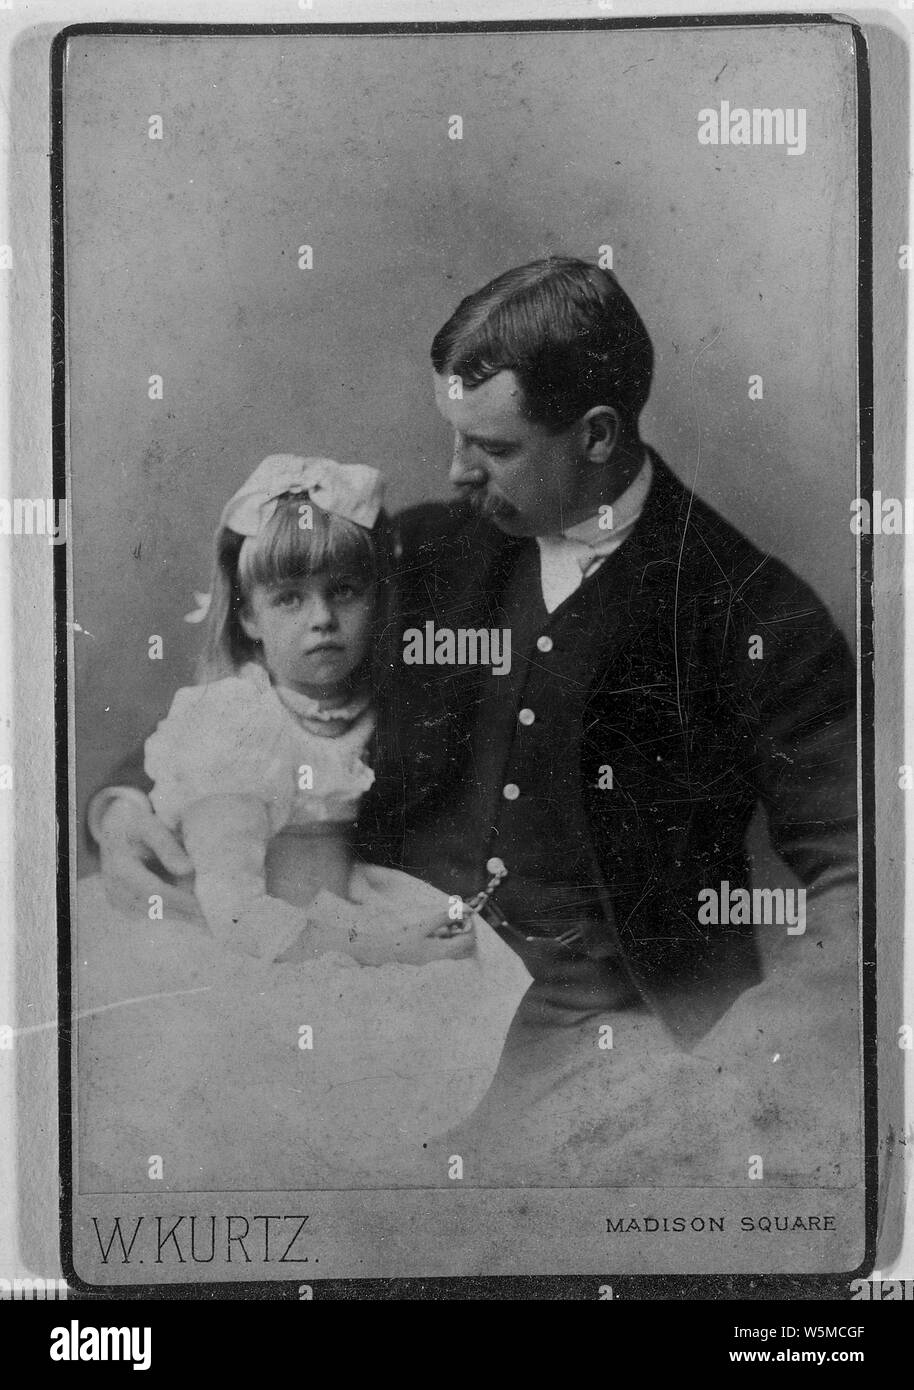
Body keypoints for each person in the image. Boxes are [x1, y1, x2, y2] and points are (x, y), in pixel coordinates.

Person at [90, 258, 861, 1187]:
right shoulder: (421, 554)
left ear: (597, 436)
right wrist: (128, 803)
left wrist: (744, 1069)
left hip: (610, 1043)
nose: (454, 473)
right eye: (454, 438)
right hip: (384, 1004)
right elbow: (260, 703)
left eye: (491, 449)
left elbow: (866, 877)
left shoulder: (751, 609)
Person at [75, 453, 530, 1191]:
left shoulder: (375, 696)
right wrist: (383, 950)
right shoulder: (239, 725)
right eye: (289, 598)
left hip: (349, 900)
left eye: (344, 592)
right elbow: (235, 916)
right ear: (248, 614)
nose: (322, 619)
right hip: (252, 932)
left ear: (377, 598)